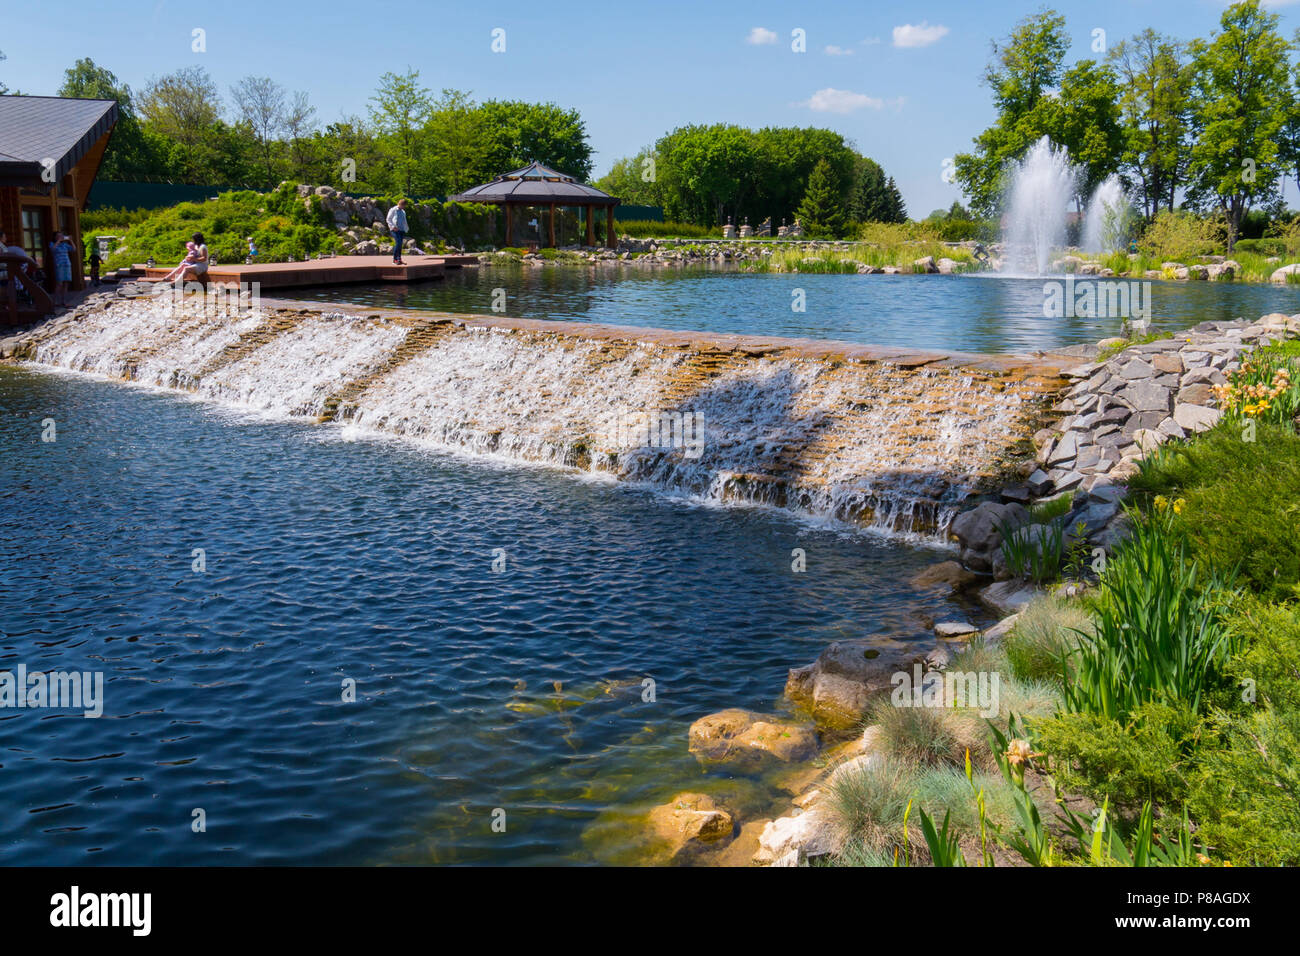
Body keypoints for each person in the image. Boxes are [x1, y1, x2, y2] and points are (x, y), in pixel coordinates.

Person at [51, 232, 75, 306]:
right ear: (55, 237)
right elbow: (52, 250)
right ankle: (54, 301)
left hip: (66, 264)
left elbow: (73, 249)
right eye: (58, 236)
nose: (60, 237)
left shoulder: (64, 245)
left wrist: (71, 241)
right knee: (59, 283)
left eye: (61, 236)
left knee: (66, 283)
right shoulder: (52, 244)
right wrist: (58, 241)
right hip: (59, 265)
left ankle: (63, 300)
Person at [386, 199, 408, 265]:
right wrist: (393, 227)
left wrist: (405, 229)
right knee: (398, 243)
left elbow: (404, 221)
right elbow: (388, 219)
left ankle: (399, 259)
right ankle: (395, 260)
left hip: (401, 230)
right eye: (404, 206)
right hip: (394, 230)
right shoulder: (393, 210)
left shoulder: (403, 211)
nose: (404, 207)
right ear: (401, 204)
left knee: (400, 244)